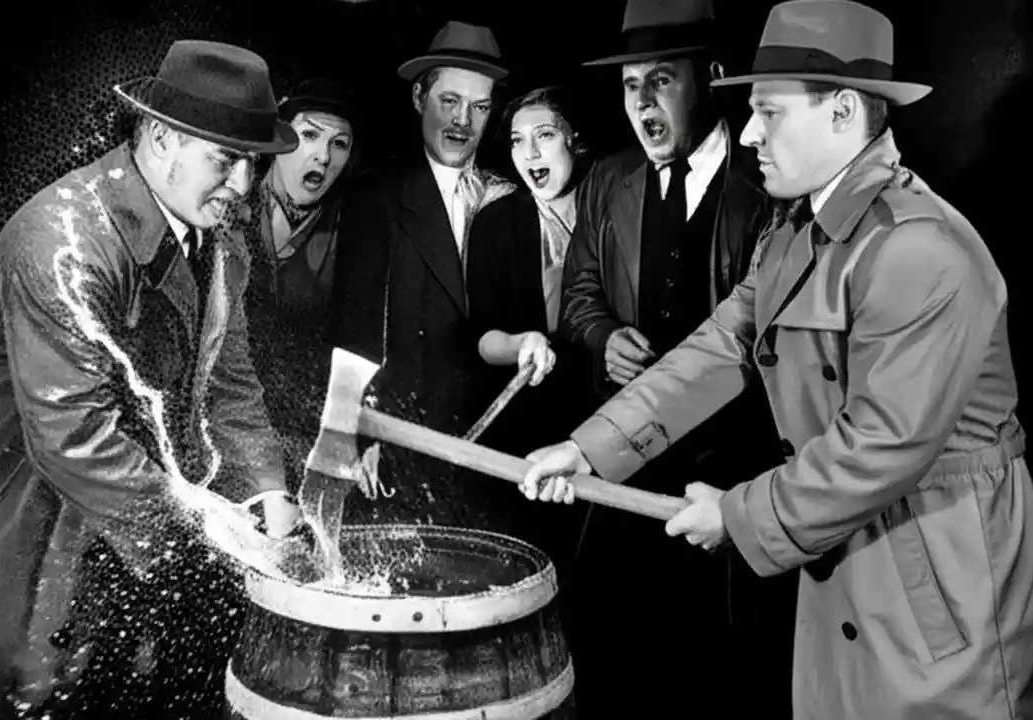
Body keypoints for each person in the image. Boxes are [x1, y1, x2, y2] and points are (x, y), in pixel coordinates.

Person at [521, 2, 1033, 717]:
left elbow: (883, 442)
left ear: (842, 112)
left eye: (768, 113)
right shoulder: (795, 233)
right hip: (843, 557)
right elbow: (720, 349)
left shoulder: (919, 249)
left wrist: (741, 515)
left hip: (943, 576)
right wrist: (589, 450)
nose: (748, 132)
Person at [0, 40, 305, 720]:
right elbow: (71, 436)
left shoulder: (222, 241)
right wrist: (212, 536)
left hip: (116, 495)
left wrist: (268, 493)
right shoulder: (61, 238)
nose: (243, 186)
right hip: (12, 495)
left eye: (254, 164)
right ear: (162, 137)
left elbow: (230, 385)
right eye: (225, 160)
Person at [553, 0, 793, 713]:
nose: (642, 101)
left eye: (661, 80)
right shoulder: (608, 180)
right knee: (617, 655)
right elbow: (579, 294)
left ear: (710, 79)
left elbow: (747, 341)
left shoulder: (768, 190)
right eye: (631, 86)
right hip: (624, 473)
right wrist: (603, 338)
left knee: (718, 670)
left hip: (731, 481)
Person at [329, 20, 515, 529]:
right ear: (419, 98)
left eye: (479, 107)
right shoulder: (375, 197)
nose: (462, 121)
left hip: (490, 451)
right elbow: (355, 327)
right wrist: (362, 435)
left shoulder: (513, 197)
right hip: (400, 447)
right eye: (449, 102)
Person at [464, 85, 594, 570]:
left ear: (574, 142)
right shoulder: (497, 222)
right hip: (523, 440)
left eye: (545, 135)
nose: (531, 152)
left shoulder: (610, 210)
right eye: (518, 141)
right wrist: (523, 342)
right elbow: (483, 339)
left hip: (602, 425)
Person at [236, 77, 359, 484]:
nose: (323, 157)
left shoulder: (354, 235)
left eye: (339, 145)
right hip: (225, 425)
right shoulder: (226, 204)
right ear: (279, 136)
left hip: (300, 435)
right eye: (310, 136)